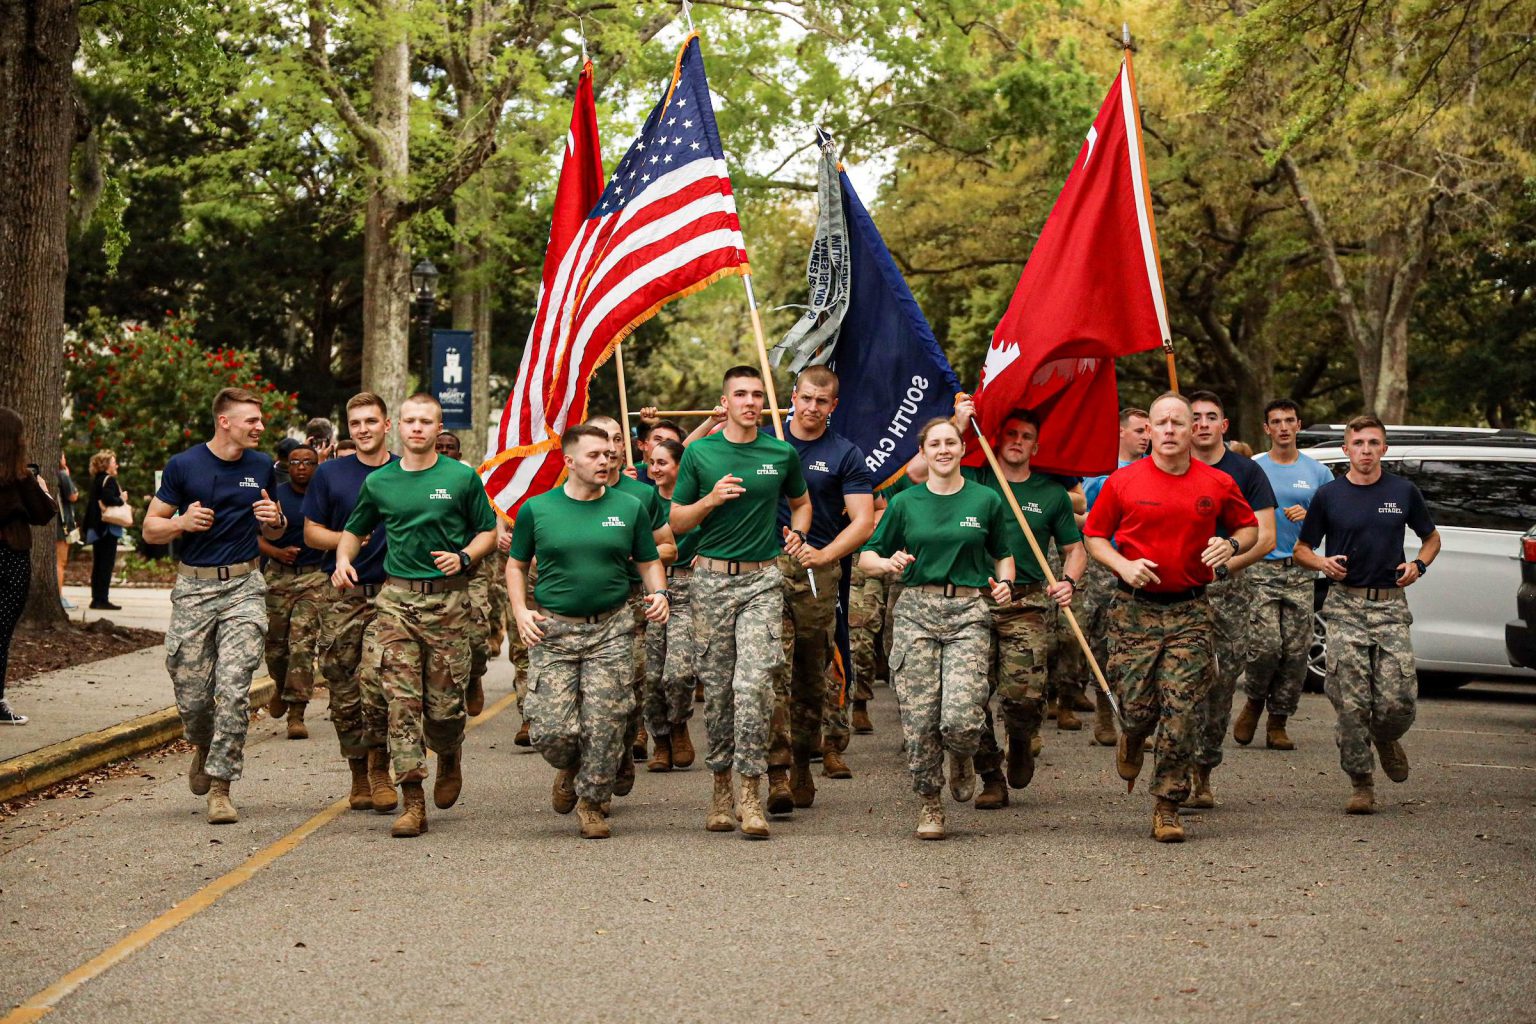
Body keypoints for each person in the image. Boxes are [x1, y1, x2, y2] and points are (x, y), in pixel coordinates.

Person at [1083, 392, 1258, 843]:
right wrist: (1122, 565)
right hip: (1134, 611)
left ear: (1190, 431)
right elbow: (1095, 537)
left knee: (1182, 710)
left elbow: (1249, 527)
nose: (1169, 431)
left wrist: (1232, 546)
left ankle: (1167, 804)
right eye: (1160, 423)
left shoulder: (1216, 482)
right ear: (1151, 431)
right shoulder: (1124, 481)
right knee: (1138, 708)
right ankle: (1131, 734)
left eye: (1177, 424)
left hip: (1190, 609)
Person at [335, 393, 498, 839]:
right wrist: (342, 560)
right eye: (410, 421)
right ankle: (413, 802)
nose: (417, 428)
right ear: (397, 427)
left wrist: (465, 556)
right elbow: (356, 528)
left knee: (444, 711)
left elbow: (489, 530)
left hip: (448, 606)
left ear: (439, 427)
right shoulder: (381, 482)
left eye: (426, 421)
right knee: (401, 705)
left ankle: (449, 754)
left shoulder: (461, 478)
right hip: (396, 603)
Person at [508, 424, 670, 839]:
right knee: (550, 730)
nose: (605, 460)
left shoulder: (629, 507)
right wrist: (521, 611)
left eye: (608, 454)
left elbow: (650, 559)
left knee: (606, 722)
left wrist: (660, 593)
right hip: (553, 631)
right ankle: (572, 764)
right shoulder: (537, 510)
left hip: (611, 629)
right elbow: (516, 564)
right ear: (569, 462)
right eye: (595, 454)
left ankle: (592, 802)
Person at [670, 365, 811, 839]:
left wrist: (800, 532)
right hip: (709, 583)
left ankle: (751, 794)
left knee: (754, 686)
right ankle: (720, 790)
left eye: (756, 394)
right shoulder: (701, 454)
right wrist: (709, 500)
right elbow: (677, 523)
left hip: (762, 581)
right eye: (740, 394)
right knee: (719, 692)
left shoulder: (780, 452)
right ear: (725, 402)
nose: (750, 401)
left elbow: (802, 502)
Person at [859, 417, 1014, 839]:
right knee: (920, 718)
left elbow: (1003, 554)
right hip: (916, 611)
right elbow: (867, 558)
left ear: (963, 449)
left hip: (967, 612)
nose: (944, 450)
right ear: (924, 453)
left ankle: (962, 756)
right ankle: (930, 802)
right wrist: (887, 563)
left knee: (963, 717)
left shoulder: (986, 500)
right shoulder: (905, 503)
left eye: (951, 442)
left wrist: (1005, 582)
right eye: (935, 444)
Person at [142, 388, 287, 824]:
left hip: (244, 585)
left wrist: (275, 522)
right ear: (225, 421)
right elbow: (150, 528)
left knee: (235, 687)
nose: (260, 427)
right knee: (191, 696)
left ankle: (221, 787)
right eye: (251, 420)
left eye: (260, 420)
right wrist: (181, 523)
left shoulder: (263, 466)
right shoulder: (184, 465)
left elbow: (277, 531)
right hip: (194, 589)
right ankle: (203, 744)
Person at [1294, 416, 1439, 815]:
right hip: (1345, 607)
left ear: (1384, 449)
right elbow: (1302, 549)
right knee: (1350, 703)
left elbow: (1431, 538)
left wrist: (1418, 566)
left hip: (1391, 607)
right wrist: (1322, 563)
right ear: (1346, 450)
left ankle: (1387, 737)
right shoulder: (1329, 495)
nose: (1366, 450)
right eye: (1358, 443)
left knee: (1399, 701)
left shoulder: (1403, 491)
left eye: (1374, 442)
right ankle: (1361, 782)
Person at [946, 399, 1084, 809]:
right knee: (971, 694)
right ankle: (991, 774)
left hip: (1028, 601)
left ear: (1036, 447)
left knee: (1022, 695)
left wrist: (1069, 580)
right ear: (998, 439)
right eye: (1011, 434)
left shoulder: (1052, 494)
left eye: (1026, 437)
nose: (1017, 442)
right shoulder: (972, 480)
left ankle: (1021, 740)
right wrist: (959, 421)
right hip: (974, 600)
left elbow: (1075, 549)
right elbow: (936, 457)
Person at [767, 366, 875, 810]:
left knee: (811, 674)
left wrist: (826, 554)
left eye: (821, 401)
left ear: (834, 405)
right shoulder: (766, 441)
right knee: (770, 669)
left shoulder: (845, 453)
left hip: (817, 571)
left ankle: (802, 764)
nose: (811, 408)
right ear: (792, 396)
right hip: (764, 569)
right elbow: (692, 464)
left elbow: (864, 521)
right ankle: (775, 771)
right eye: (805, 398)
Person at [304, 393, 399, 812]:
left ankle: (381, 768)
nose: (362, 429)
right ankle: (358, 773)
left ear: (386, 425)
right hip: (343, 595)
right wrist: (348, 541)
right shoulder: (331, 475)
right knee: (344, 691)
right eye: (355, 423)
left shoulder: (404, 470)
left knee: (382, 687)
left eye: (370, 421)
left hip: (395, 594)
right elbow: (311, 533)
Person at [1186, 391, 1276, 808]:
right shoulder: (1170, 465)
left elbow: (1266, 537)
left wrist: (1226, 565)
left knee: (1220, 684)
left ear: (1224, 425)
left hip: (1230, 590)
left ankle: (1202, 771)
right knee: (1177, 680)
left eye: (1210, 417)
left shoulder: (1245, 471)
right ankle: (1172, 763)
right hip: (1176, 588)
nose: (1202, 424)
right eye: (1195, 417)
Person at [1238, 399, 1335, 750]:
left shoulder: (1318, 472)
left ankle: (1278, 720)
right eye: (1275, 421)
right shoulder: (1251, 467)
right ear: (1266, 428)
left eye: (1289, 421)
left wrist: (1308, 515)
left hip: (1299, 572)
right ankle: (1252, 703)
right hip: (1259, 568)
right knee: (1266, 647)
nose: (1282, 427)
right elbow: (1235, 515)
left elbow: (1330, 524)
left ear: (1298, 425)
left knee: (1296, 653)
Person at [586, 415, 677, 784]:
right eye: (601, 439)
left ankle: (625, 745)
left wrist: (637, 556)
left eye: (616, 439)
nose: (609, 447)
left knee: (634, 684)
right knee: (588, 693)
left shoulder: (641, 495)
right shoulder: (565, 495)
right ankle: (583, 767)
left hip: (632, 602)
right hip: (584, 607)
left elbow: (669, 547)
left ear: (625, 448)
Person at [1077, 407, 1150, 747]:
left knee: (1140, 644)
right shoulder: (1099, 473)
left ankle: (1135, 720)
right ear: (1120, 432)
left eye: (1148, 429)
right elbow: (1088, 525)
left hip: (1145, 567)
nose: (1146, 436)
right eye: (1139, 430)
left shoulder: (1154, 470)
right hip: (1106, 569)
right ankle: (1105, 712)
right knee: (1102, 640)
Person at [434, 428, 504, 720]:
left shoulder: (470, 481)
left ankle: (475, 677)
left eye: (450, 447)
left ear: (459, 454)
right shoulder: (413, 478)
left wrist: (470, 557)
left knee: (476, 639)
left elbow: (486, 528)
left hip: (471, 571)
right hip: (431, 575)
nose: (444, 451)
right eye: (440, 446)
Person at [259, 444, 326, 740]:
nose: (301, 466)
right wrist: (276, 551)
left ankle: (296, 714)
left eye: (308, 462)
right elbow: (253, 535)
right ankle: (280, 683)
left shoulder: (324, 495)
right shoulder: (277, 495)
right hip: (277, 576)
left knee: (302, 645)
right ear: (288, 464)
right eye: (296, 461)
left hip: (313, 578)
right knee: (275, 647)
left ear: (317, 465)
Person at [642, 438, 701, 772]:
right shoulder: (646, 501)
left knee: (677, 671)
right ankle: (660, 740)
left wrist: (706, 553)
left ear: (680, 466)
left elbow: (719, 534)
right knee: (651, 676)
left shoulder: (694, 502)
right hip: (650, 590)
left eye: (662, 462)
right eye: (651, 462)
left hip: (687, 590)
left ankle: (679, 724)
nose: (654, 469)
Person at [0, 408, 58, 725]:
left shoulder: (21, 477)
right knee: (1, 633)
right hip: (10, 560)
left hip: (12, 559)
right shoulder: (20, 478)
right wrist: (43, 490)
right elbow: (44, 513)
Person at [81, 450, 126, 611]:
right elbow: (108, 499)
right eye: (114, 462)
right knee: (106, 565)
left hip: (97, 528)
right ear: (107, 465)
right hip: (107, 529)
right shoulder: (110, 480)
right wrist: (122, 500)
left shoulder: (97, 480)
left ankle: (96, 598)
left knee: (98, 565)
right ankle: (103, 599)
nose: (117, 465)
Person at [55, 452, 78, 609]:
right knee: (60, 562)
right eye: (63, 456)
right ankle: (59, 596)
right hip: (62, 525)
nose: (65, 459)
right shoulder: (62, 474)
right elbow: (72, 496)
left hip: (53, 523)